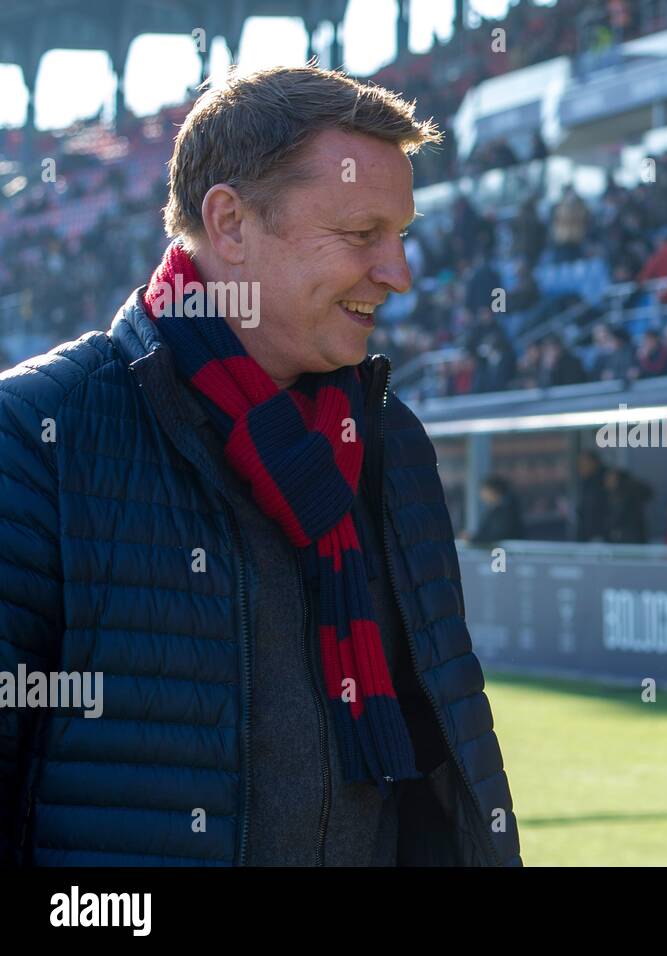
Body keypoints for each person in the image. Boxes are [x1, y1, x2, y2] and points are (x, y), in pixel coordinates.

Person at [0, 66, 518, 866]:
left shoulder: (389, 441)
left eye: (401, 234)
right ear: (231, 223)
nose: (399, 273)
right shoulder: (38, 432)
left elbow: (444, 759)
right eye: (361, 234)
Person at [465, 476, 525, 543]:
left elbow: (497, 535)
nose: (481, 495)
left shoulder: (507, 511)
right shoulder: (494, 510)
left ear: (493, 491)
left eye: (484, 491)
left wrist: (473, 539)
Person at [574, 450, 608, 542]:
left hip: (602, 538)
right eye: (579, 464)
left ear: (594, 463)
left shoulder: (606, 480)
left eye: (584, 464)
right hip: (587, 538)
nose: (580, 468)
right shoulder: (585, 483)